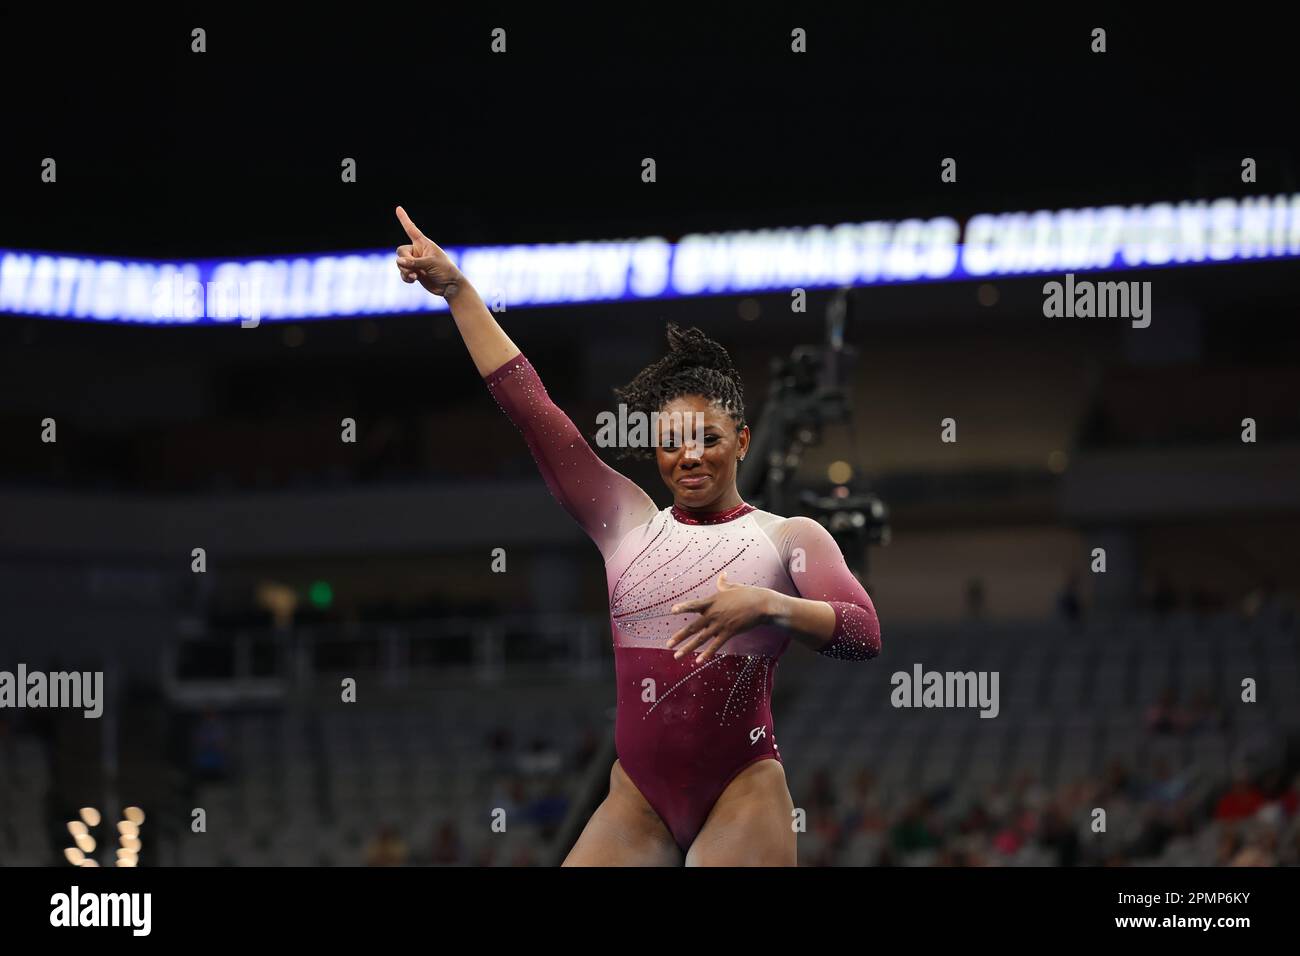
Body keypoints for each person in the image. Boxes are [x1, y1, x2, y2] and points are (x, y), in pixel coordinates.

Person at [394, 207, 882, 866]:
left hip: (743, 791)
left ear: (740, 441)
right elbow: (536, 415)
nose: (690, 458)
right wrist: (458, 291)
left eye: (708, 439)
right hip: (636, 800)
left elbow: (863, 634)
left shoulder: (790, 536)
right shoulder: (626, 524)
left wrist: (770, 606)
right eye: (672, 444)